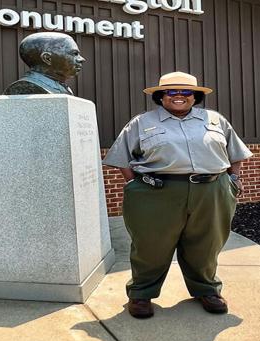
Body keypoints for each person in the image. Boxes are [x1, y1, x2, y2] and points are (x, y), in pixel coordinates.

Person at [103, 72, 252, 319]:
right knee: (150, 246)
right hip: (156, 193)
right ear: (161, 97)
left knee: (207, 243)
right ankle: (141, 294)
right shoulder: (142, 123)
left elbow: (235, 153)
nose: (179, 96)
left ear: (196, 97)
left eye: (186, 92)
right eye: (172, 92)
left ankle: (207, 290)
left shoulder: (215, 120)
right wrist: (135, 186)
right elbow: (121, 158)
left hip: (212, 190)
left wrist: (233, 180)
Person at [4, 32, 84, 96]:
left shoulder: (64, 89)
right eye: (75, 53)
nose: (82, 59)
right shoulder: (24, 87)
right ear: (47, 58)